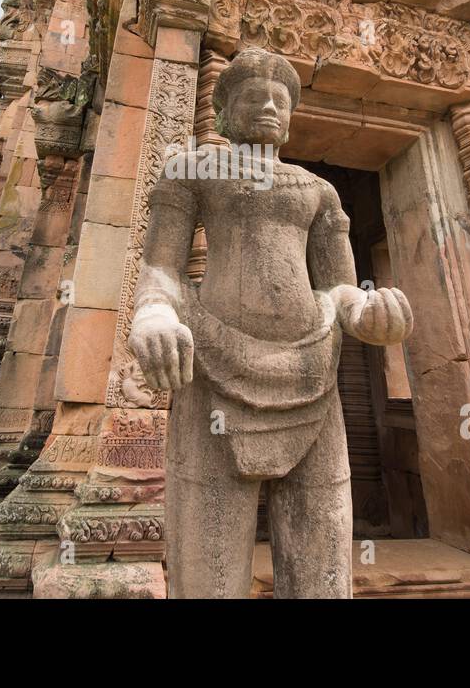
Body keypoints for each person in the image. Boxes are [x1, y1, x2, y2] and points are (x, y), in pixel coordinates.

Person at [129, 47, 413, 598]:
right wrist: (155, 313)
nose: (268, 107)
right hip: (214, 366)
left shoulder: (317, 190)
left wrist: (367, 311)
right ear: (224, 111)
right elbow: (160, 266)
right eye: (252, 97)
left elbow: (339, 286)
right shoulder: (191, 169)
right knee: (209, 553)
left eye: (280, 100)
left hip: (312, 368)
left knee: (323, 545)